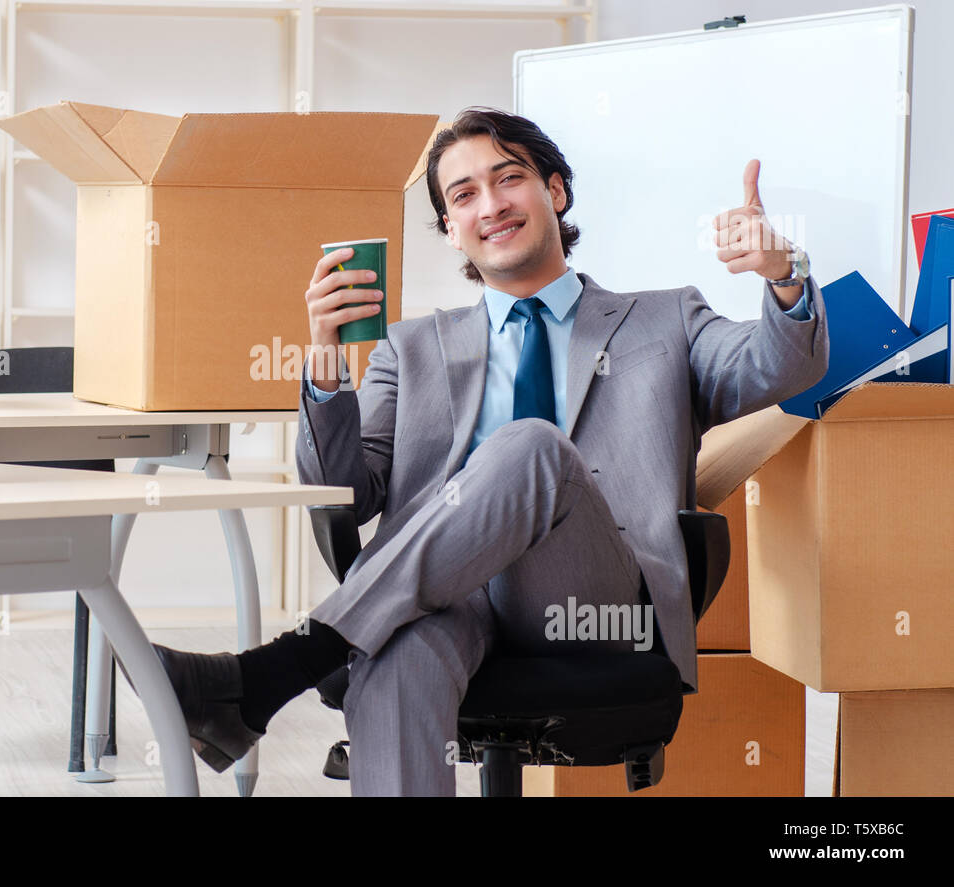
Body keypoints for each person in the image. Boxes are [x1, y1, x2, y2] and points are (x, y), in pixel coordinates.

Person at [149, 106, 828, 795]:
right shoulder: (408, 349)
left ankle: (283, 666)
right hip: (443, 598)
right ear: (451, 230)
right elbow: (345, 495)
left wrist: (786, 272)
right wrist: (325, 359)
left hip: (590, 601)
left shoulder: (664, 319)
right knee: (397, 652)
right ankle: (291, 668)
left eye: (509, 179)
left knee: (531, 445)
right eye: (464, 195)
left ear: (555, 192)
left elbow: (781, 367)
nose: (491, 205)